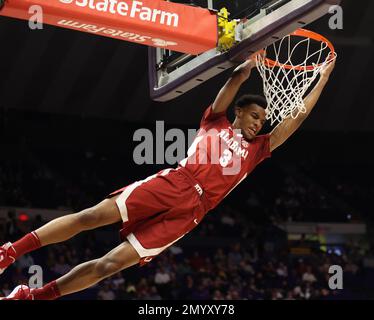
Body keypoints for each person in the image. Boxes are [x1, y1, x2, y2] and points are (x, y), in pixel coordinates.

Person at [0, 56, 335, 300]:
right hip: (175, 181)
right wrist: (242, 70)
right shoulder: (215, 122)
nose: (259, 123)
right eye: (254, 116)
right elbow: (230, 86)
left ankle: (34, 297)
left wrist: (322, 77)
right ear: (241, 112)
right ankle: (10, 251)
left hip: (193, 211)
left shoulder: (258, 150)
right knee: (91, 216)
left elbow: (297, 116)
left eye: (263, 120)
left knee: (108, 267)